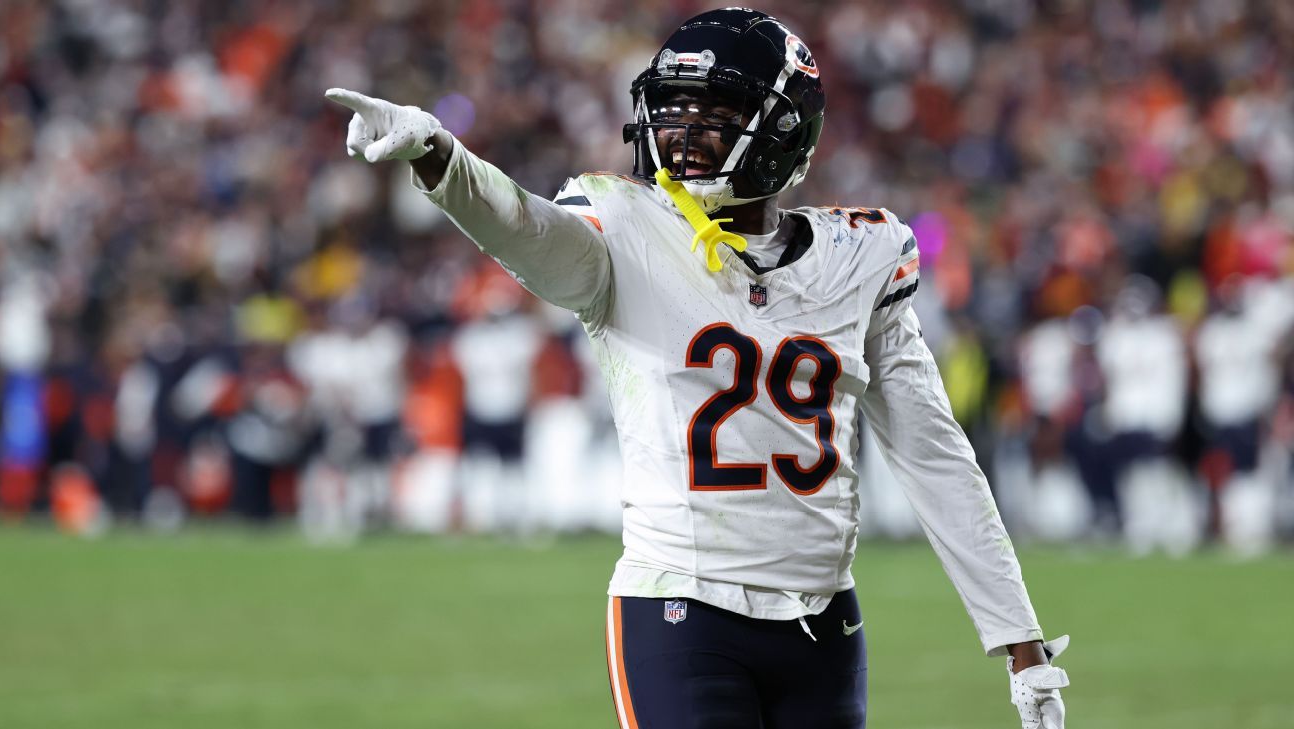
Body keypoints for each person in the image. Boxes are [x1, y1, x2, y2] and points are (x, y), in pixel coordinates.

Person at [326, 8, 1069, 728]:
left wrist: (1019, 637)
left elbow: (932, 451)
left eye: (713, 113)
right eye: (673, 109)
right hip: (678, 606)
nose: (681, 133)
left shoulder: (862, 257)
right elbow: (529, 231)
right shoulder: (626, 227)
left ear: (784, 128)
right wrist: (440, 157)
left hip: (824, 620)